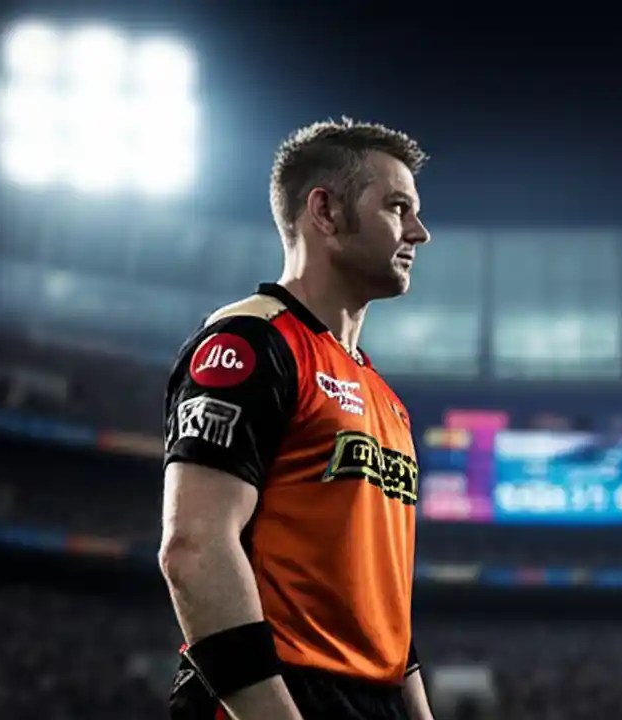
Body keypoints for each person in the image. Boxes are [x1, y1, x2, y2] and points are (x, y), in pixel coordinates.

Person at [159, 117, 437, 720]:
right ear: (326, 212)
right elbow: (193, 546)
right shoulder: (249, 344)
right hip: (278, 695)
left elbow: (382, 607)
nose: (421, 231)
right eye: (398, 207)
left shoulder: (385, 398)